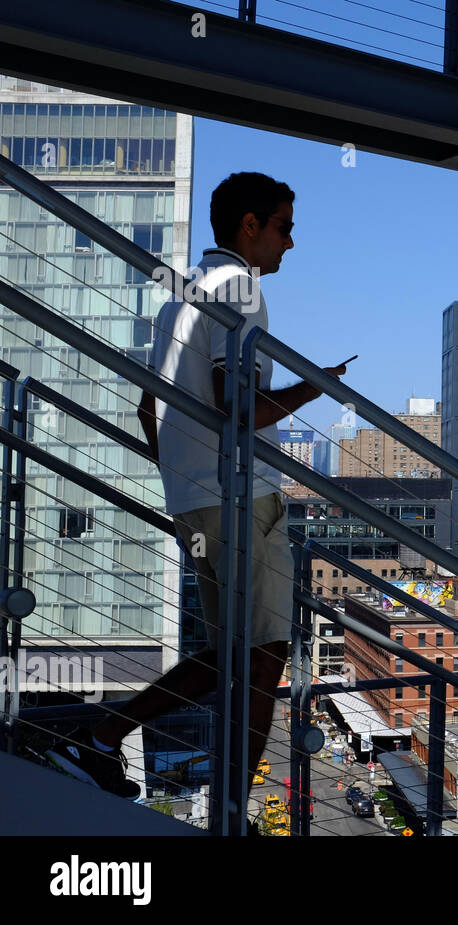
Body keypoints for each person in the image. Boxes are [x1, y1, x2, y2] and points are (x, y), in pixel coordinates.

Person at [45, 172, 348, 801]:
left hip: (199, 497)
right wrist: (317, 384)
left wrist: (183, 482)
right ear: (250, 226)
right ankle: (233, 807)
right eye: (284, 227)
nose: (290, 243)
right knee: (263, 658)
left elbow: (145, 409)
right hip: (239, 497)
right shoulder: (239, 287)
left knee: (236, 654)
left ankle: (101, 739)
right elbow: (240, 405)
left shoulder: (179, 296)